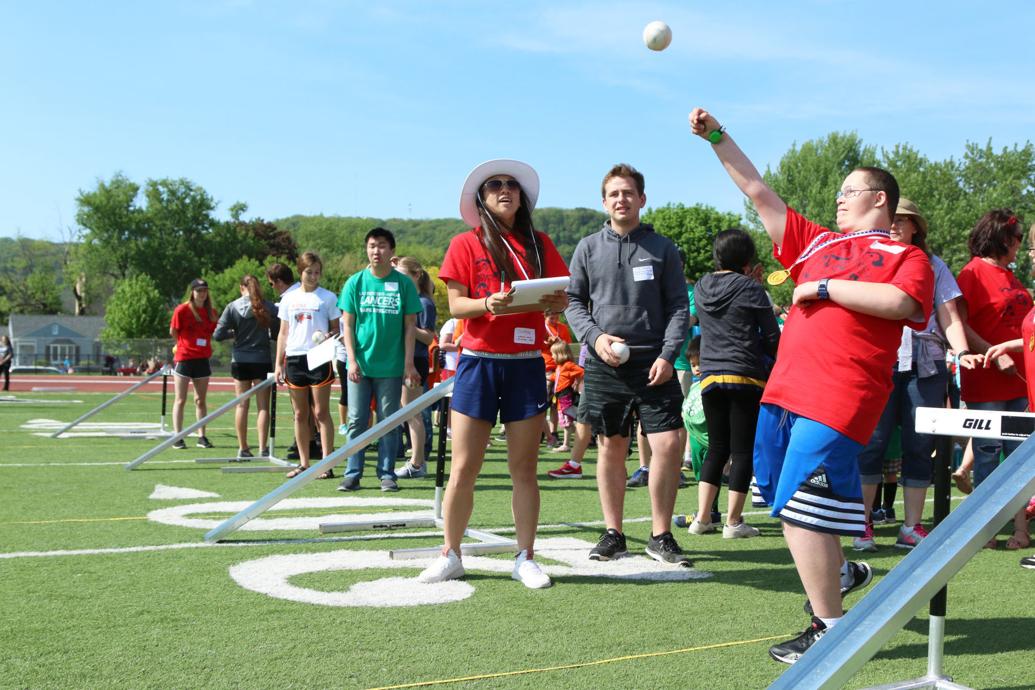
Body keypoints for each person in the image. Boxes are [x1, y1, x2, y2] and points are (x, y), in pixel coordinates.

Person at [689, 107, 934, 664]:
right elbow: (758, 191)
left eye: (851, 190)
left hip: (838, 396)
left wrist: (824, 287)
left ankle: (833, 628)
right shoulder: (815, 241)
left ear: (880, 199)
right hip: (782, 394)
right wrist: (717, 138)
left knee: (802, 508)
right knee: (782, 503)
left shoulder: (905, 254)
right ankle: (843, 573)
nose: (839, 197)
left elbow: (902, 304)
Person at [417, 159, 568, 589]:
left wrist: (555, 304)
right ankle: (451, 554)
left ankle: (526, 556)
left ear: (522, 197)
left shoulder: (539, 243)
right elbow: (457, 305)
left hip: (525, 363)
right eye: (495, 185)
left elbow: (558, 296)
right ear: (481, 198)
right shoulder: (465, 243)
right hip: (478, 362)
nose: (505, 190)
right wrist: (487, 306)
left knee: (525, 468)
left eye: (512, 185)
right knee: (465, 466)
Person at [565, 163, 691, 566]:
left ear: (642, 199)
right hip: (605, 362)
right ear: (604, 201)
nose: (621, 199)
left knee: (669, 445)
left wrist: (669, 354)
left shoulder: (664, 248)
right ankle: (614, 533)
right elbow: (573, 303)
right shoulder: (587, 247)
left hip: (655, 361)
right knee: (611, 447)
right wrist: (596, 338)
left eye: (628, 192)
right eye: (614, 193)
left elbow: (677, 306)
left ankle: (661, 534)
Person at [854, 198, 979, 551]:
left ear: (916, 228)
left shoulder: (933, 264)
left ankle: (910, 526)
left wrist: (963, 351)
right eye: (889, 218)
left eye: (901, 219)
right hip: (879, 359)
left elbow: (949, 315)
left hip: (926, 362)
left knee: (920, 446)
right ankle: (862, 525)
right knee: (871, 443)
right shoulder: (869, 257)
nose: (893, 224)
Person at [686, 228, 780, 539]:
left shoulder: (701, 286)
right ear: (746, 259)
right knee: (742, 451)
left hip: (709, 373)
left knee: (716, 447)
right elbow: (771, 337)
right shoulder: (751, 289)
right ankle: (734, 521)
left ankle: (702, 518)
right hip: (745, 374)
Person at [967, 213, 1033, 551]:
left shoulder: (1011, 275)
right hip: (987, 380)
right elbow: (958, 326)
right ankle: (986, 530)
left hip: (1021, 381)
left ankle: (1021, 530)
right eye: (1018, 236)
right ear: (1001, 237)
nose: (1022, 243)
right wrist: (996, 353)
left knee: (1020, 456)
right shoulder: (972, 273)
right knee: (989, 454)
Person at [337, 228, 421, 492]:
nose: (376, 251)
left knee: (389, 421)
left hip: (391, 367)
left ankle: (387, 474)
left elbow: (410, 327)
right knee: (356, 420)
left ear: (392, 251)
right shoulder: (355, 282)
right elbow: (347, 326)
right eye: (372, 246)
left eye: (382, 246)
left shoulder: (404, 284)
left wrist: (408, 363)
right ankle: (352, 473)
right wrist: (351, 360)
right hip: (360, 366)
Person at [274, 252, 340, 479]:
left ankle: (326, 463)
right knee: (300, 414)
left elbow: (337, 329)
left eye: (317, 272)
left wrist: (327, 335)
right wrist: (278, 364)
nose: (313, 276)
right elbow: (283, 333)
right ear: (300, 271)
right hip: (294, 358)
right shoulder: (288, 299)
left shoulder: (328, 297)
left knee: (321, 412)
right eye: (308, 272)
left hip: (319, 357)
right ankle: (303, 464)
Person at [213, 274, 278, 460]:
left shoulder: (232, 307)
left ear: (242, 287)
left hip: (240, 360)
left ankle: (243, 447)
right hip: (261, 359)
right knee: (263, 407)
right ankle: (263, 448)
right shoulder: (267, 306)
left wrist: (234, 333)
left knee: (242, 405)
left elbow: (218, 334)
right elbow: (278, 327)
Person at [394, 256, 438, 479]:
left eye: (404, 275)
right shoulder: (409, 300)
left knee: (413, 413)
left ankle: (418, 462)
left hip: (416, 361)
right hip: (404, 360)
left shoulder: (423, 303)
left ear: (416, 275)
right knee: (407, 412)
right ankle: (415, 459)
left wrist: (407, 324)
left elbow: (429, 337)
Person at [169, 278, 218, 449]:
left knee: (200, 400)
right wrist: (183, 344)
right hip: (184, 359)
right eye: (199, 290)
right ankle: (178, 436)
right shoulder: (181, 310)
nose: (202, 293)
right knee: (180, 399)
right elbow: (173, 331)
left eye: (204, 290)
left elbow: (214, 332)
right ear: (192, 292)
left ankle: (202, 436)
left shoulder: (211, 312)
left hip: (202, 359)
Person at [549, 339, 584, 453]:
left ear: (560, 354)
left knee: (566, 421)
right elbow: (556, 377)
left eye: (553, 354)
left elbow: (581, 372)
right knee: (566, 421)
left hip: (565, 398)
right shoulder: (559, 367)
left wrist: (577, 382)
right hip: (560, 398)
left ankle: (566, 444)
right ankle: (584, 436)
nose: (552, 357)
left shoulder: (568, 365)